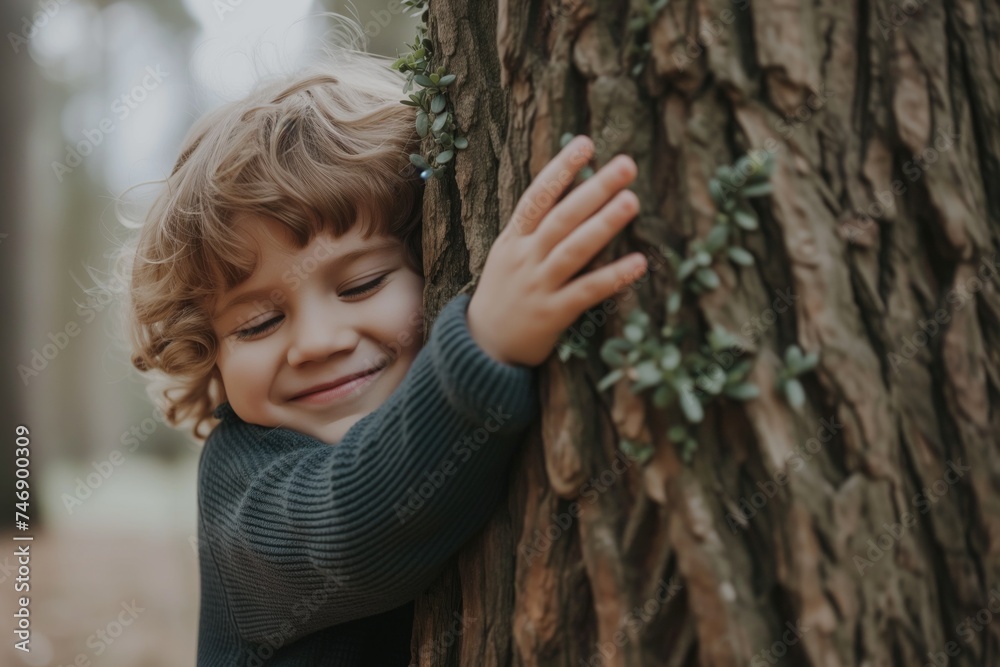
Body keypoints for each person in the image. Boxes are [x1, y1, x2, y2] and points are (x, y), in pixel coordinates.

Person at [116, 46, 647, 667]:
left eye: (362, 285)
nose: (318, 342)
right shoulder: (241, 485)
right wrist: (484, 349)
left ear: (435, 263)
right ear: (210, 354)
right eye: (259, 323)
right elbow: (355, 531)